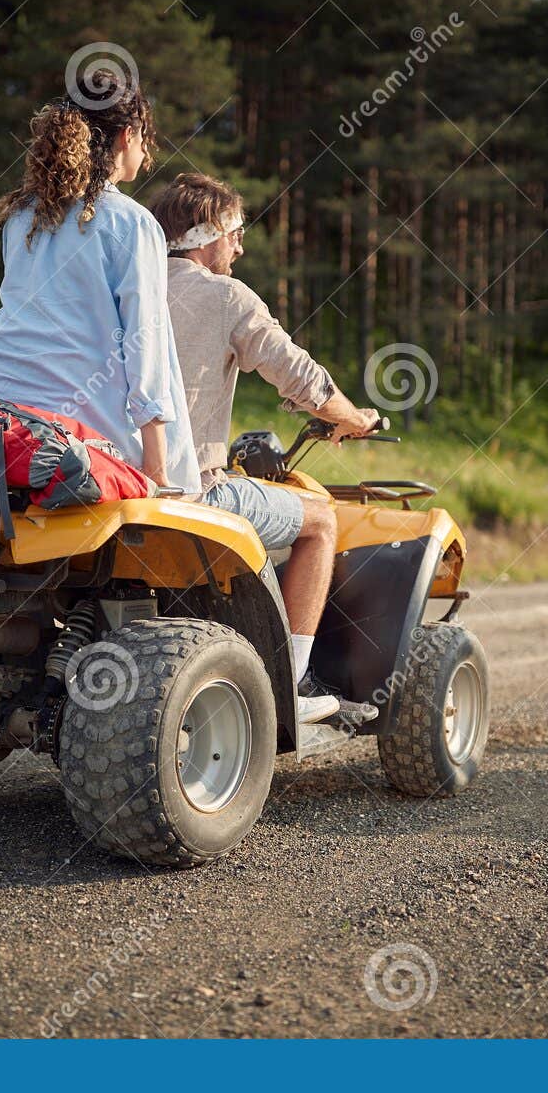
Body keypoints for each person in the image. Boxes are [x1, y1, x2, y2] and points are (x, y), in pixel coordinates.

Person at [151, 172, 380, 723]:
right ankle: (294, 684)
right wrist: (352, 419)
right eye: (234, 233)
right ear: (207, 236)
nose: (240, 246)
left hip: (115, 483)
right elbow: (299, 376)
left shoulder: (125, 287)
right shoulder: (224, 295)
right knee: (321, 520)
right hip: (191, 492)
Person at [0, 71, 198, 493]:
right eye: (144, 138)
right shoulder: (132, 222)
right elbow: (145, 343)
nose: (145, 150)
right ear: (127, 135)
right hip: (80, 434)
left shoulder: (23, 217)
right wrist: (158, 467)